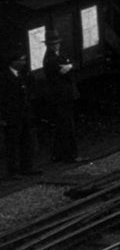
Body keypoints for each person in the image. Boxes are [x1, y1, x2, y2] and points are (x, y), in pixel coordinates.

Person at [2, 44, 40, 176]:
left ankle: (26, 167)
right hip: (11, 116)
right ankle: (13, 171)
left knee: (26, 141)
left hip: (23, 114)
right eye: (21, 60)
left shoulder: (23, 75)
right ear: (14, 62)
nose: (24, 62)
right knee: (13, 144)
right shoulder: (5, 78)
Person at [43, 34, 78, 163]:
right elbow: (64, 70)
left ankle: (60, 154)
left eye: (57, 43)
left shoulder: (59, 55)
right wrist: (69, 67)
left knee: (63, 125)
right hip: (61, 96)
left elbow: (70, 65)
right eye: (53, 44)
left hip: (64, 95)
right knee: (66, 126)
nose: (55, 45)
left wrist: (69, 66)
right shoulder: (51, 59)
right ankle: (69, 155)